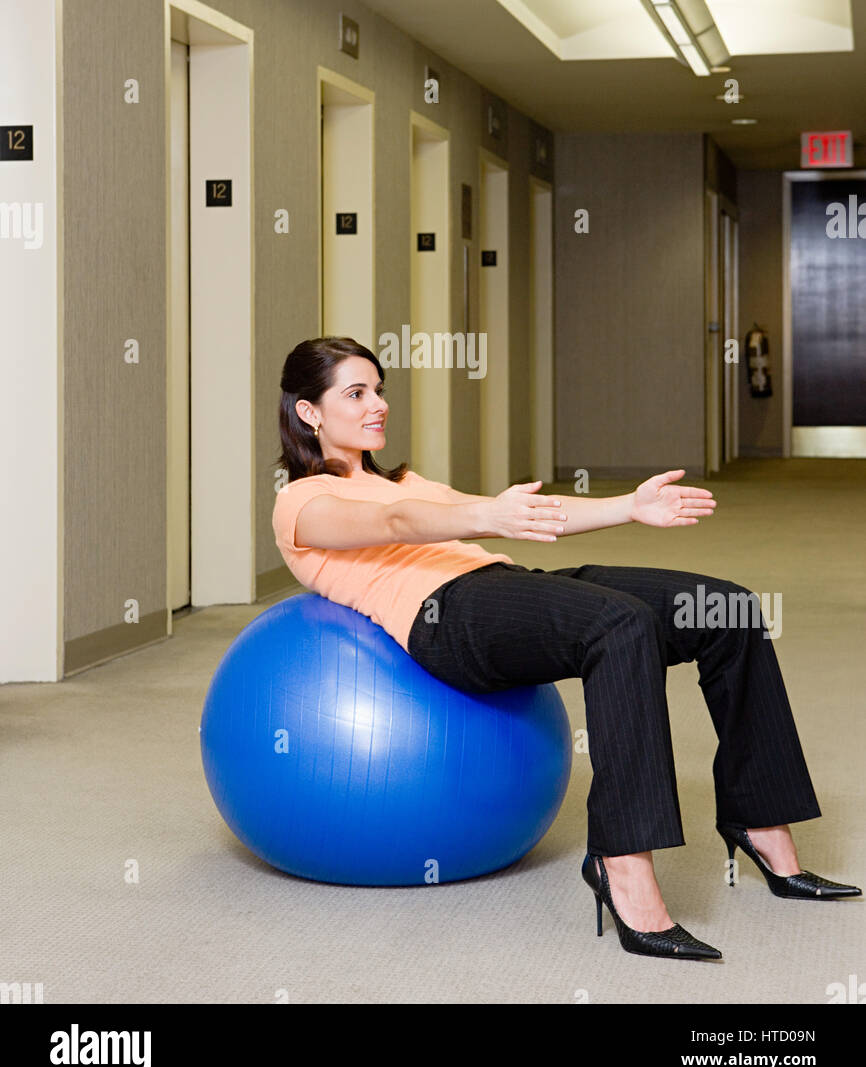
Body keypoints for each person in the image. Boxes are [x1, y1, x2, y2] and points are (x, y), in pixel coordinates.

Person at [272, 336, 861, 961]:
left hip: (506, 587)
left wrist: (630, 507)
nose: (377, 405)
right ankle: (622, 861)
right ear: (310, 412)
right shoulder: (301, 502)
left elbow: (523, 514)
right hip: (447, 621)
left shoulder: (404, 480)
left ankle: (761, 821)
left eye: (380, 390)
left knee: (731, 612)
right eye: (356, 394)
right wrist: (484, 517)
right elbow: (397, 526)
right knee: (622, 624)